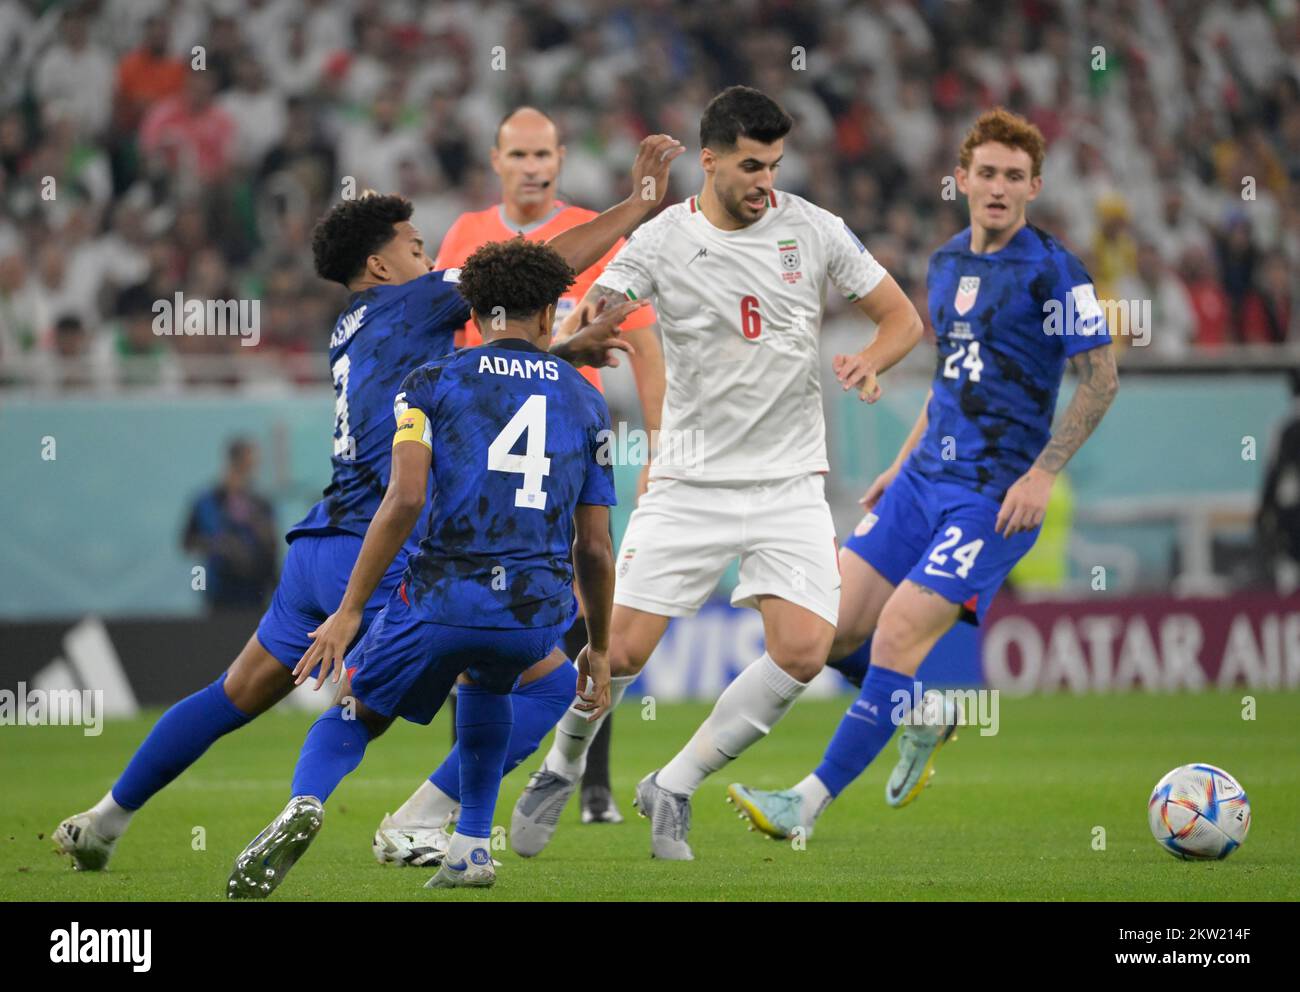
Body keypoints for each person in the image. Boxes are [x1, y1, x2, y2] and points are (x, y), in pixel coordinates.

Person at [52, 133, 680, 872]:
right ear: (381, 265)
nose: (430, 257)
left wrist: (560, 353)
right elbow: (538, 274)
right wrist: (635, 208)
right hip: (381, 545)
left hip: (318, 542)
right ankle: (413, 820)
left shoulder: (353, 330)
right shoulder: (417, 302)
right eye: (417, 247)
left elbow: (475, 378)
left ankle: (105, 818)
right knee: (528, 687)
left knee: (235, 691)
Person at [510, 85, 924, 861]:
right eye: (751, 167)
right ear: (709, 161)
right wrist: (580, 336)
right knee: (621, 651)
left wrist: (872, 359)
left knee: (805, 649)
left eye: (774, 165)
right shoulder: (664, 239)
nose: (767, 182)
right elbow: (589, 310)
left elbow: (902, 318)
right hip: (691, 476)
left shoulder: (814, 228)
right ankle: (561, 765)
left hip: (790, 480)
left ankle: (674, 782)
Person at [728, 107, 1120, 841]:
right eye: (987, 173)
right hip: (919, 482)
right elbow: (951, 382)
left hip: (990, 497)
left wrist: (1041, 475)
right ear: (962, 179)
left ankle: (803, 806)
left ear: (1033, 186)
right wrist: (897, 464)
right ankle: (924, 714)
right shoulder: (945, 264)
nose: (998, 187)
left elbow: (1101, 379)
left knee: (898, 636)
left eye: (1014, 176)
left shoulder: (1052, 270)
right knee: (828, 631)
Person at [227, 238, 618, 896]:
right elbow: (595, 547)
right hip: (532, 609)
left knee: (358, 714)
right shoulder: (587, 402)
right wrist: (601, 649)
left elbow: (404, 498)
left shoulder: (431, 383)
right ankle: (469, 842)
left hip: (440, 597)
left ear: (474, 311)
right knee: (499, 688)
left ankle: (306, 803)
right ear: (550, 316)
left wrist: (349, 611)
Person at [379, 105, 665, 841]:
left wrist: (661, 444)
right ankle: (453, 808)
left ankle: (584, 783)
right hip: (482, 445)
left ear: (560, 157)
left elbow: (641, 340)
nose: (534, 166)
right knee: (536, 605)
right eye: (521, 154)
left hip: (570, 437)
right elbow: (457, 337)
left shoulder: (594, 235)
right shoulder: (468, 234)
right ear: (498, 160)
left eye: (545, 153)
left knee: (569, 601)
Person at [181, 436, 278, 611]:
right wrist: (217, 545)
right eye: (250, 463)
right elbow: (188, 542)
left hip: (255, 594)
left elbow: (272, 547)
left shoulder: (261, 503)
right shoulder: (206, 501)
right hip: (219, 594)